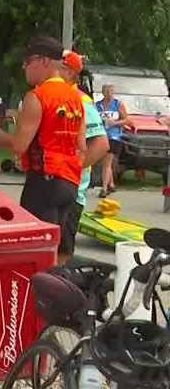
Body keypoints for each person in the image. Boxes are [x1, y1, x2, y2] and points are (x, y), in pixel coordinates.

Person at [0, 36, 106, 266]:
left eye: (27, 61)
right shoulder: (77, 99)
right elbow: (81, 147)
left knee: (35, 252)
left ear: (42, 61)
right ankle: (58, 297)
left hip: (44, 182)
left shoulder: (37, 97)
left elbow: (19, 145)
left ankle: (36, 300)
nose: (23, 67)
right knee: (58, 252)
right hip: (69, 184)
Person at [59, 51, 110, 256]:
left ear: (71, 73)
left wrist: (69, 171)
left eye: (59, 67)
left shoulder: (81, 101)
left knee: (61, 253)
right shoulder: (53, 96)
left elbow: (101, 143)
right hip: (52, 187)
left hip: (70, 191)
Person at [96, 84, 132, 195]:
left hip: (114, 136)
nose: (109, 94)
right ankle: (111, 184)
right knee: (105, 162)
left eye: (111, 91)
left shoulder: (118, 104)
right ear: (102, 93)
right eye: (107, 92)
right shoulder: (97, 105)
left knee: (106, 162)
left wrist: (115, 123)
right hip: (101, 135)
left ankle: (104, 189)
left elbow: (127, 121)